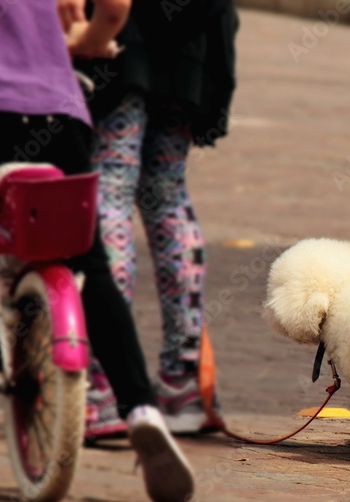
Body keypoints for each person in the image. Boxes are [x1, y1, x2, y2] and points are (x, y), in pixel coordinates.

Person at [0, 0, 194, 502]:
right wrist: (91, 42)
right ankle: (143, 411)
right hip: (59, 119)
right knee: (89, 264)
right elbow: (116, 6)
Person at [63, 0, 239, 438]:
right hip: (189, 33)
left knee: (112, 191)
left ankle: (104, 388)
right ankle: (184, 383)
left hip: (121, 30)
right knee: (167, 193)